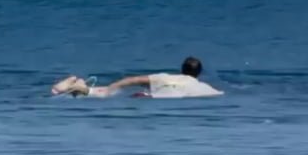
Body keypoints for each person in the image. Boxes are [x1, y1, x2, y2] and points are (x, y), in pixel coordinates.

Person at [50, 56, 222, 98]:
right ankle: (77, 85)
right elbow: (218, 94)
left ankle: (77, 83)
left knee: (95, 92)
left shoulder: (165, 77)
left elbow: (132, 80)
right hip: (146, 96)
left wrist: (111, 89)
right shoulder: (204, 88)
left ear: (182, 69)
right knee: (90, 93)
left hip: (136, 93)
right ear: (199, 73)